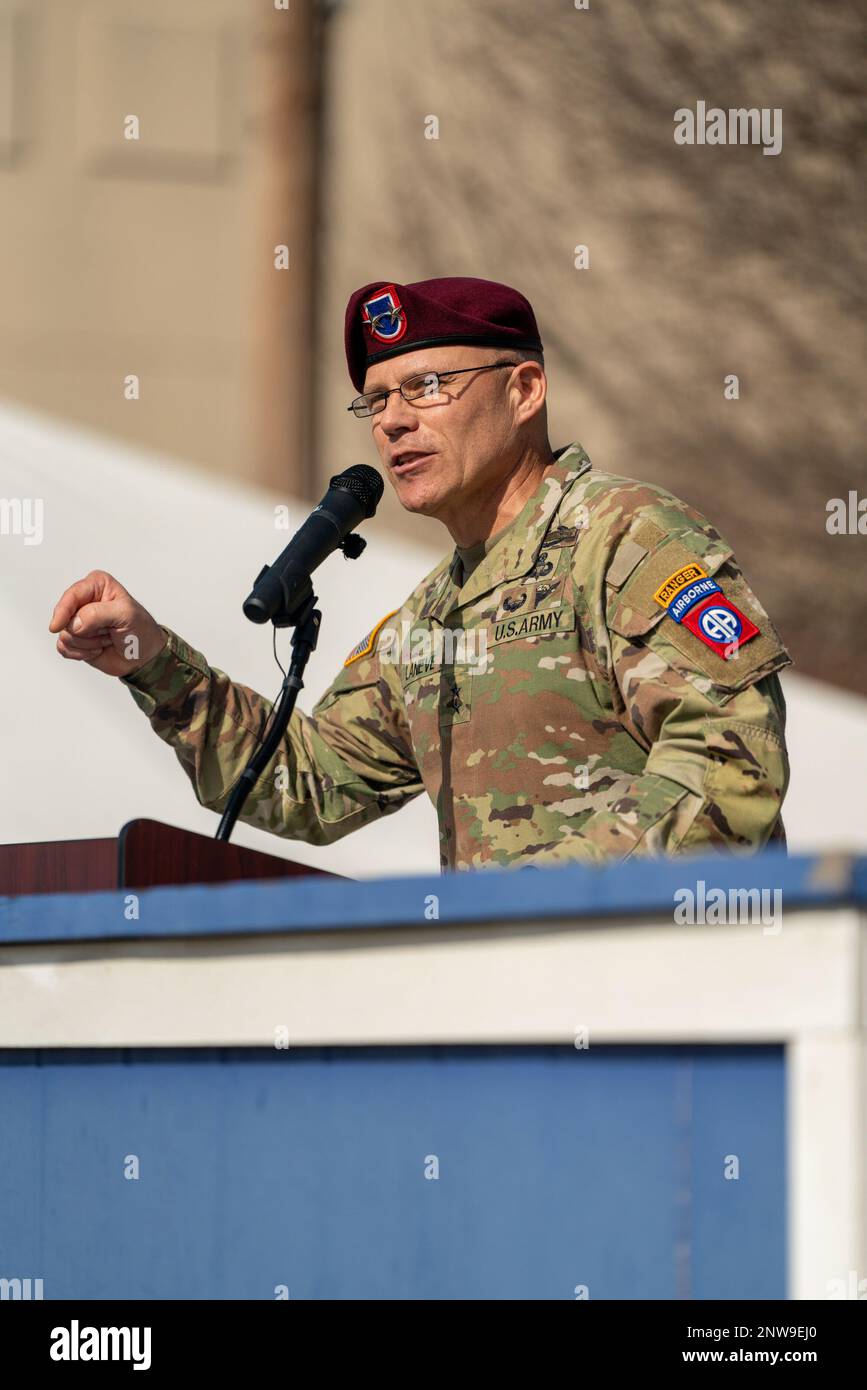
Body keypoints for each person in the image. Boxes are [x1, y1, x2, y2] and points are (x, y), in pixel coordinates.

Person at [50, 276, 792, 872]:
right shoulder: (433, 614)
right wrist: (154, 662)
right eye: (376, 400)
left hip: (656, 1005)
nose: (392, 422)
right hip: (496, 1006)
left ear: (524, 389)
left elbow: (730, 758)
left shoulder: (623, 538)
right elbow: (311, 785)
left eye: (427, 384)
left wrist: (548, 911)